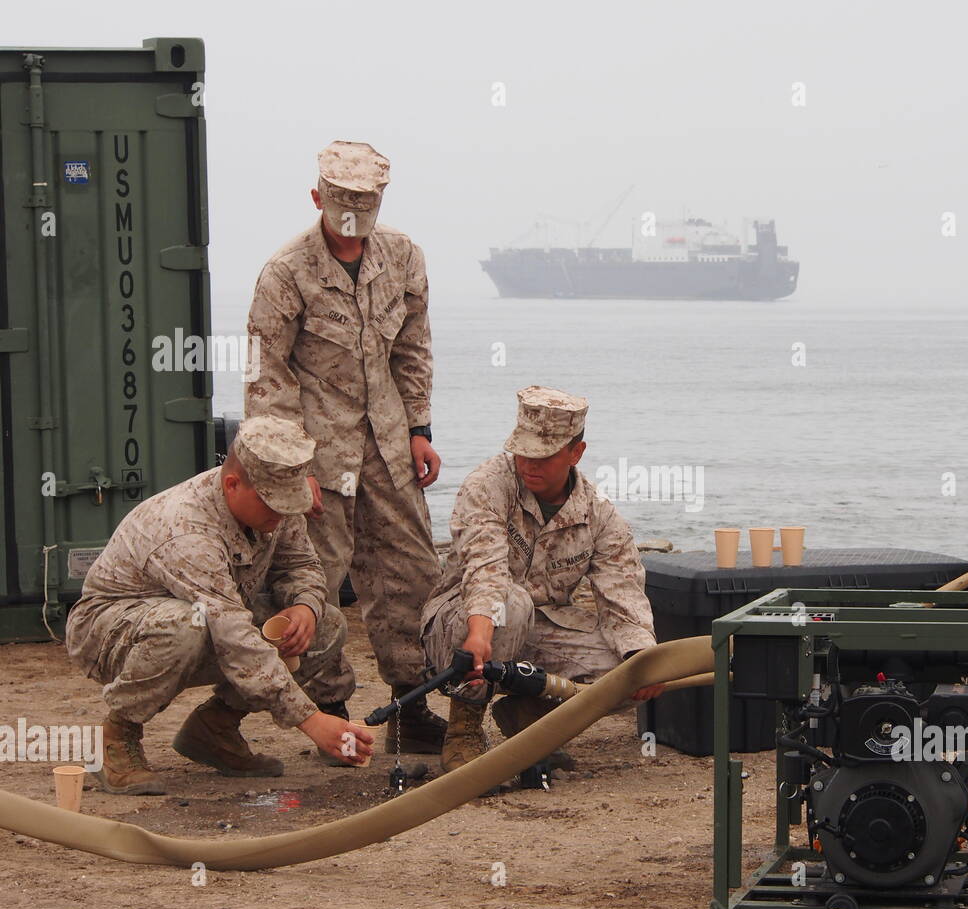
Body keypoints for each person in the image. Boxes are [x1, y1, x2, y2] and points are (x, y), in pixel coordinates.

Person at [244, 140, 446, 756]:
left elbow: (411, 349)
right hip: (318, 459)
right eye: (343, 210)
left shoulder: (404, 257)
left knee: (412, 575)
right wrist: (288, 470)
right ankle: (331, 711)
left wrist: (420, 429)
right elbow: (265, 376)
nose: (355, 224)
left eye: (367, 211)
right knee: (314, 583)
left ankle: (411, 708)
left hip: (388, 450)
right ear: (318, 200)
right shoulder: (285, 274)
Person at [66, 417, 373, 795]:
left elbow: (301, 565)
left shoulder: (273, 501)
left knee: (326, 625)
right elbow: (231, 633)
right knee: (186, 625)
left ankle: (215, 728)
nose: (280, 517)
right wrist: (311, 721)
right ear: (232, 484)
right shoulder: (185, 529)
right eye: (273, 506)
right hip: (110, 630)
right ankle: (116, 736)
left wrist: (305, 608)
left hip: (210, 617)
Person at [422, 386, 664, 776]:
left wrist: (641, 659)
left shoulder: (598, 514)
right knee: (510, 604)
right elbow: (486, 568)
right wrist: (480, 629)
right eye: (523, 451)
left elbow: (623, 594)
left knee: (622, 669)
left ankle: (532, 718)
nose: (529, 464)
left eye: (544, 455)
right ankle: (464, 730)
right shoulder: (488, 484)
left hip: (536, 631)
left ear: (575, 453)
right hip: (462, 627)